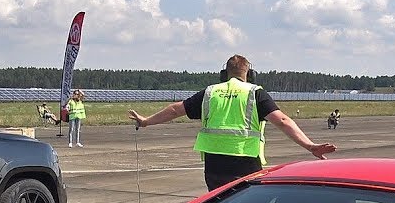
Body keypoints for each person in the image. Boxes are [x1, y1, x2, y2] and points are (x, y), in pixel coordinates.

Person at [128, 55, 336, 191]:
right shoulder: (255, 93)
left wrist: (146, 122)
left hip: (214, 164)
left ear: (224, 74)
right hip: (244, 161)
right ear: (250, 75)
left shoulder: (210, 92)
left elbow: (176, 109)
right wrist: (310, 146)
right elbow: (282, 120)